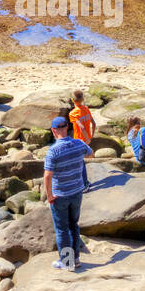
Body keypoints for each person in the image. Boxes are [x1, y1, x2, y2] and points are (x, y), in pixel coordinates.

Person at [43, 115, 94, 271]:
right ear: (67, 128)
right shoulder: (78, 144)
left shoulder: (53, 151)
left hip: (60, 195)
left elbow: (47, 175)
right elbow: (91, 153)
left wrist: (49, 195)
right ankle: (76, 259)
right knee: (74, 225)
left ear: (53, 130)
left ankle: (67, 262)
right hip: (77, 191)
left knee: (62, 229)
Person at [68, 89, 96, 191]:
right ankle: (83, 182)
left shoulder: (73, 113)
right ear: (83, 99)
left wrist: (86, 139)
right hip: (87, 138)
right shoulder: (86, 109)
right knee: (80, 160)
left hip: (79, 140)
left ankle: (84, 184)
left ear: (72, 100)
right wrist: (91, 136)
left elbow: (81, 127)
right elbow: (94, 123)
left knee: (79, 161)